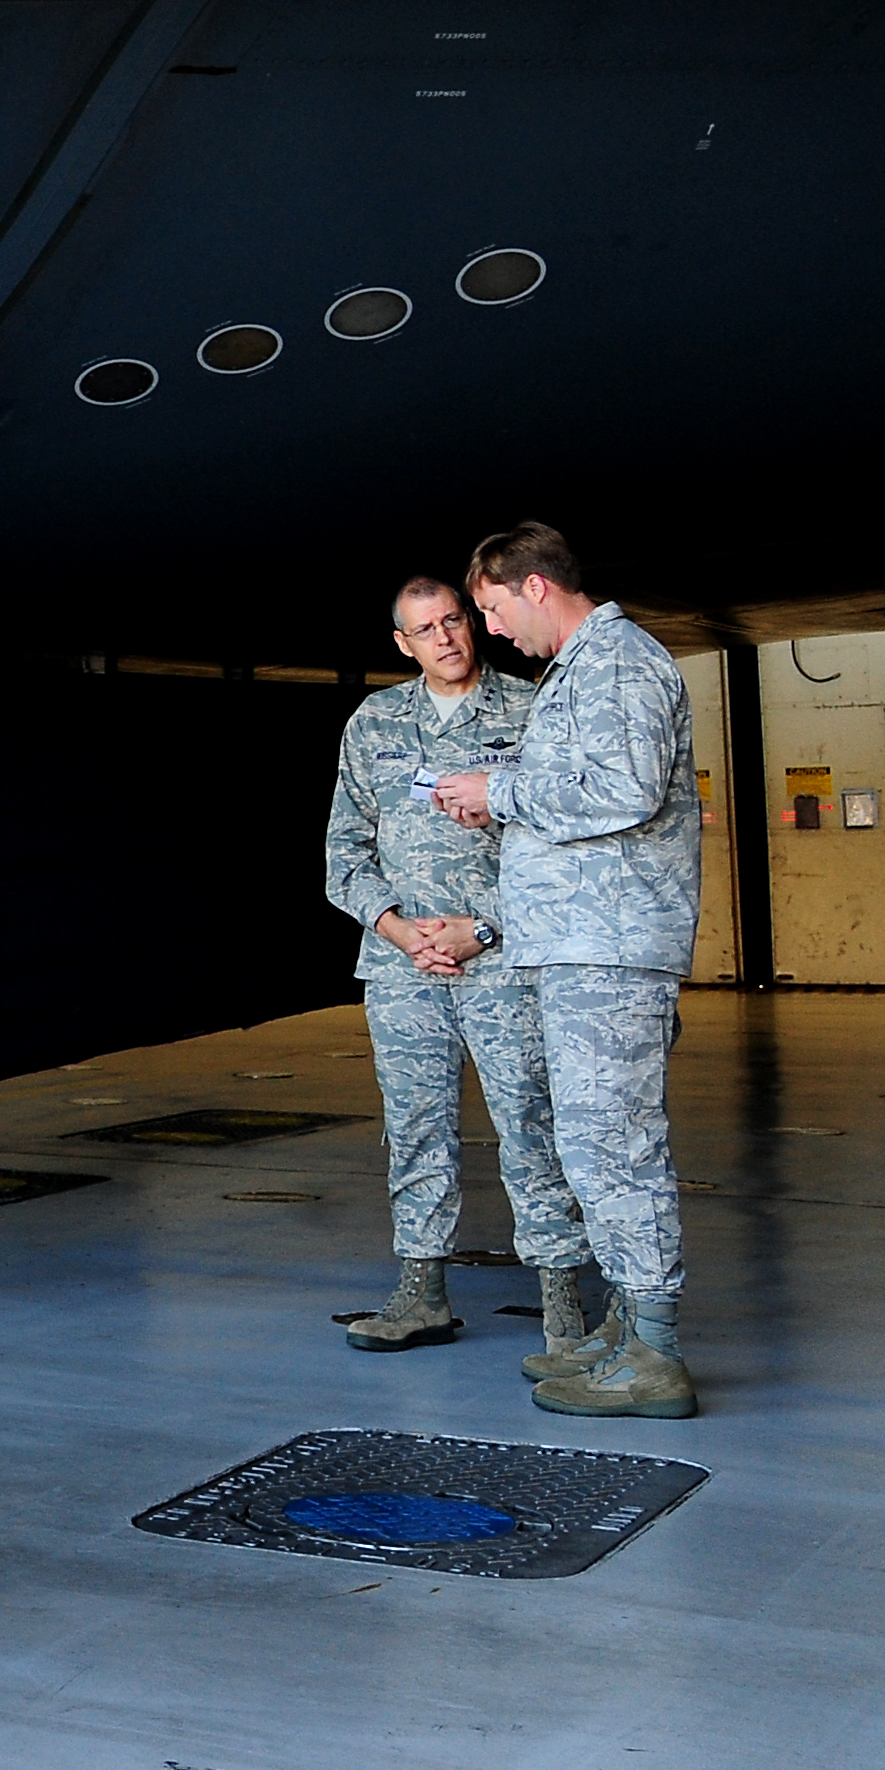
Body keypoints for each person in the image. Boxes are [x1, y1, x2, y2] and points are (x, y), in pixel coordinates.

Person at [431, 521, 703, 1421]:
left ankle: (655, 1355)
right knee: (593, 1148)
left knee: (617, 1146)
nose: (494, 630)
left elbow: (627, 789)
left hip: (612, 951)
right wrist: (498, 785)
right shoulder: (581, 672)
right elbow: (585, 782)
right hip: (580, 945)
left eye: (496, 609)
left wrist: (498, 792)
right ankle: (630, 1331)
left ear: (535, 587)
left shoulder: (619, 662)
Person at [322, 577, 597, 1358]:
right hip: (403, 970)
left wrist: (484, 928)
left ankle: (562, 1308)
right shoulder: (374, 723)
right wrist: (401, 930)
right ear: (402, 644)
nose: (444, 638)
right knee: (415, 1131)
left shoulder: (530, 708)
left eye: (453, 620)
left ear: (472, 625)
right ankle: (421, 1296)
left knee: (530, 1127)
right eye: (424, 629)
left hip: (505, 964)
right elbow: (344, 852)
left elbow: (563, 846)